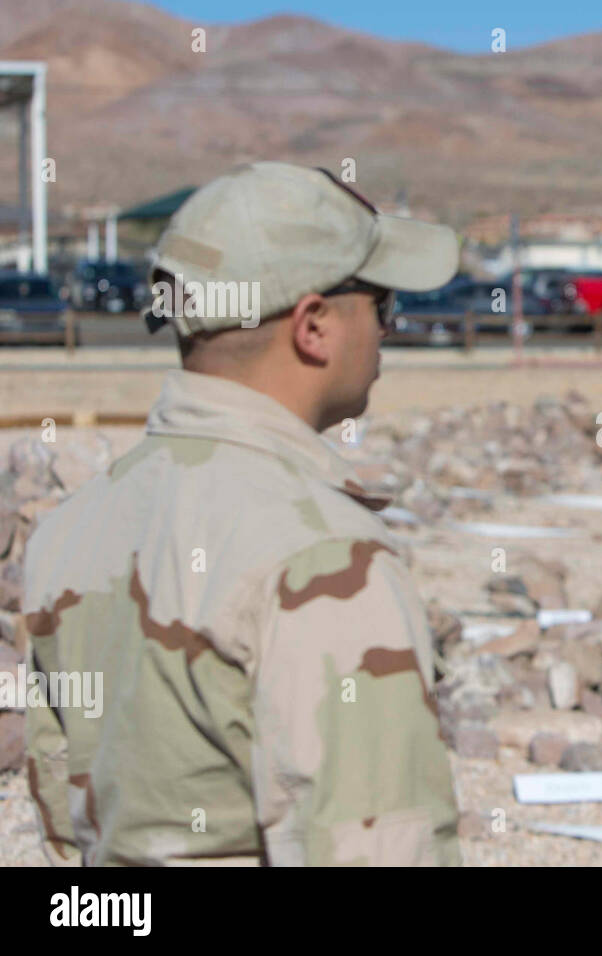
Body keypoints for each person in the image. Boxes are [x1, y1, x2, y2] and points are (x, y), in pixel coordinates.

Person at [22, 161, 463, 866]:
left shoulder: (70, 528)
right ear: (314, 325)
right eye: (381, 304)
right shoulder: (323, 558)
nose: (387, 329)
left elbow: (68, 826)